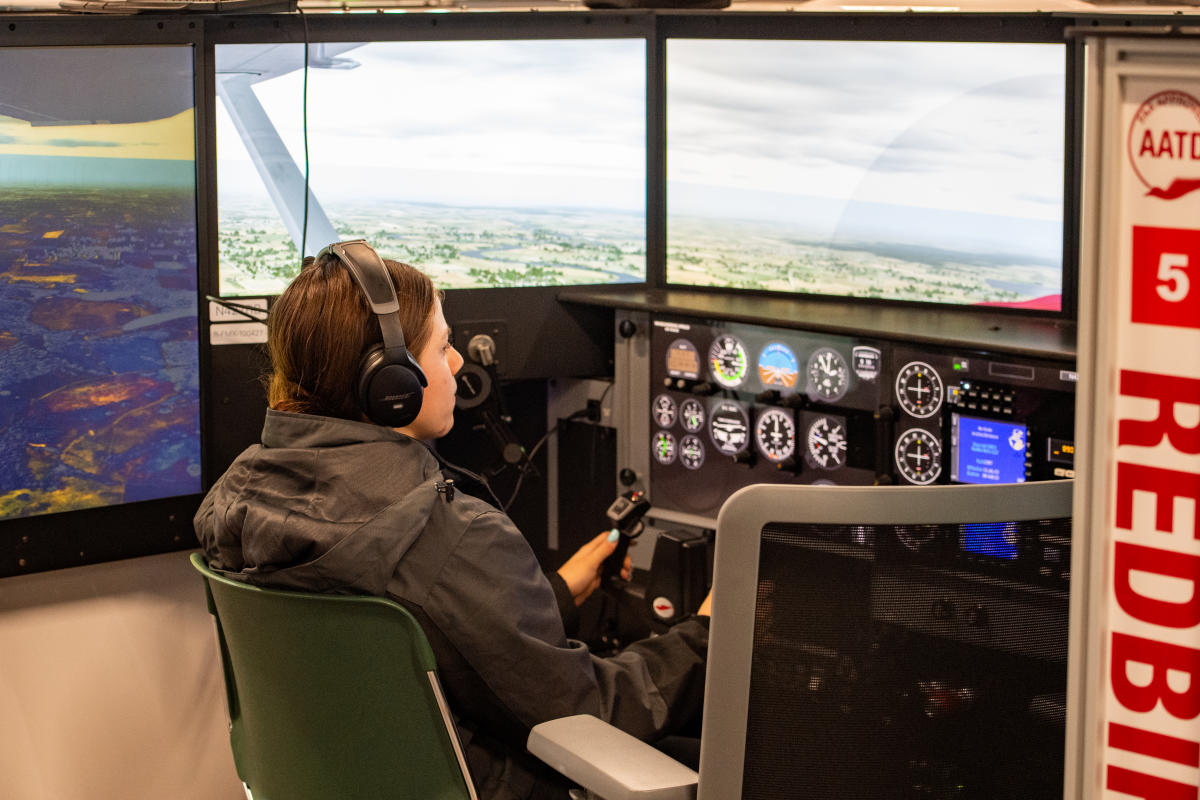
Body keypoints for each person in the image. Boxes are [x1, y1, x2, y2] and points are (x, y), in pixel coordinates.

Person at [194, 242, 711, 800]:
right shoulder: (447, 535)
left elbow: (422, 639)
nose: (459, 363)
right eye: (443, 346)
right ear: (390, 385)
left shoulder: (239, 503)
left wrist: (554, 593)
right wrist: (708, 633)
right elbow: (590, 714)